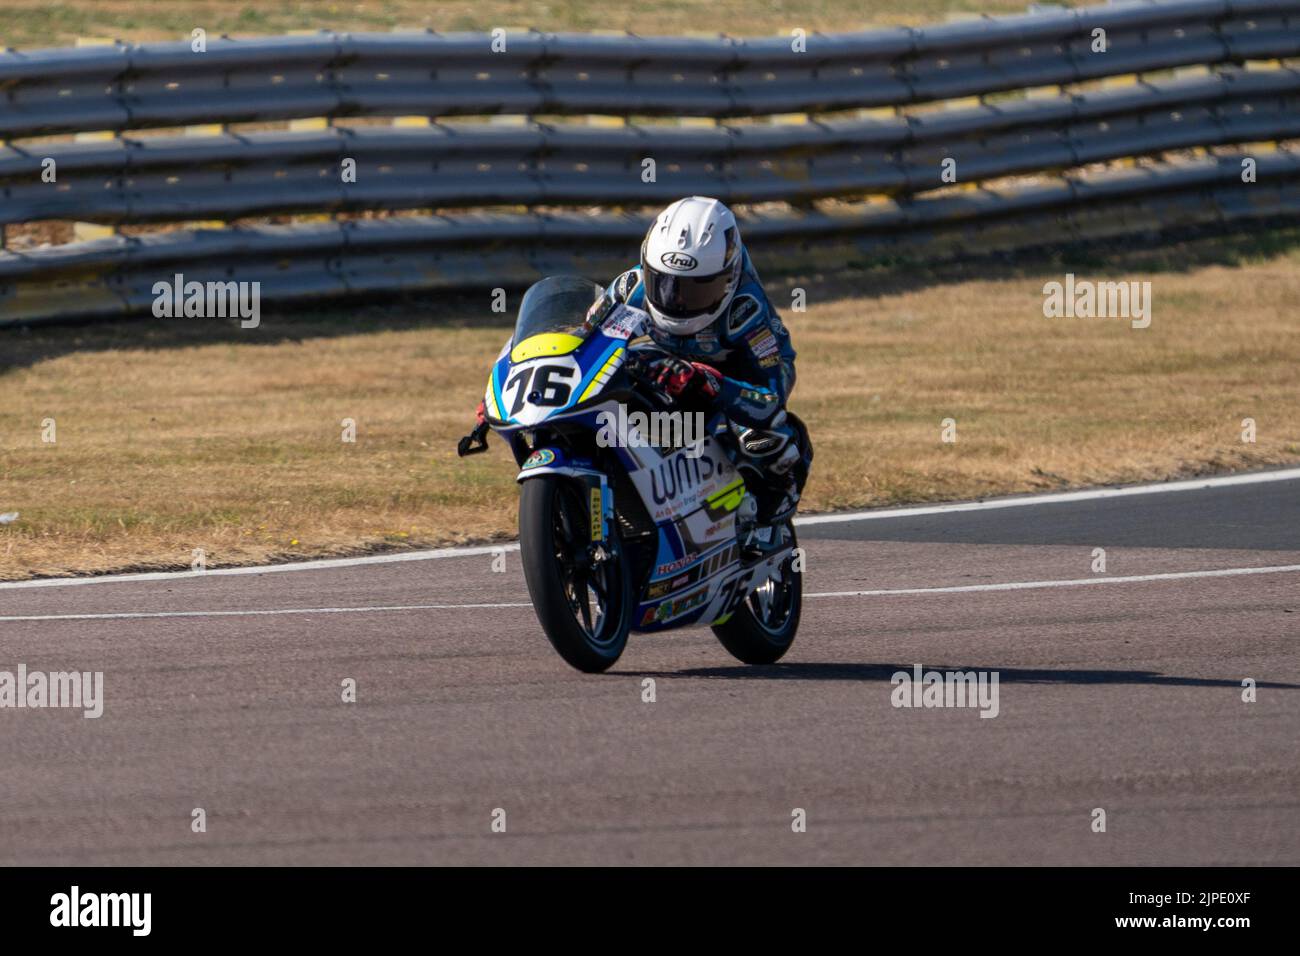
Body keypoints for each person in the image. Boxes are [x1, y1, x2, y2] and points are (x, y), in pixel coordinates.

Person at [598, 196, 811, 533]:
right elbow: (583, 338)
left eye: (696, 288)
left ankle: (767, 506)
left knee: (768, 439)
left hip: (731, 381)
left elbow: (769, 399)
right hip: (659, 371)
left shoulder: (745, 309)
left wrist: (709, 382)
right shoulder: (630, 288)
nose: (676, 299)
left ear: (728, 278)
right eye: (664, 283)